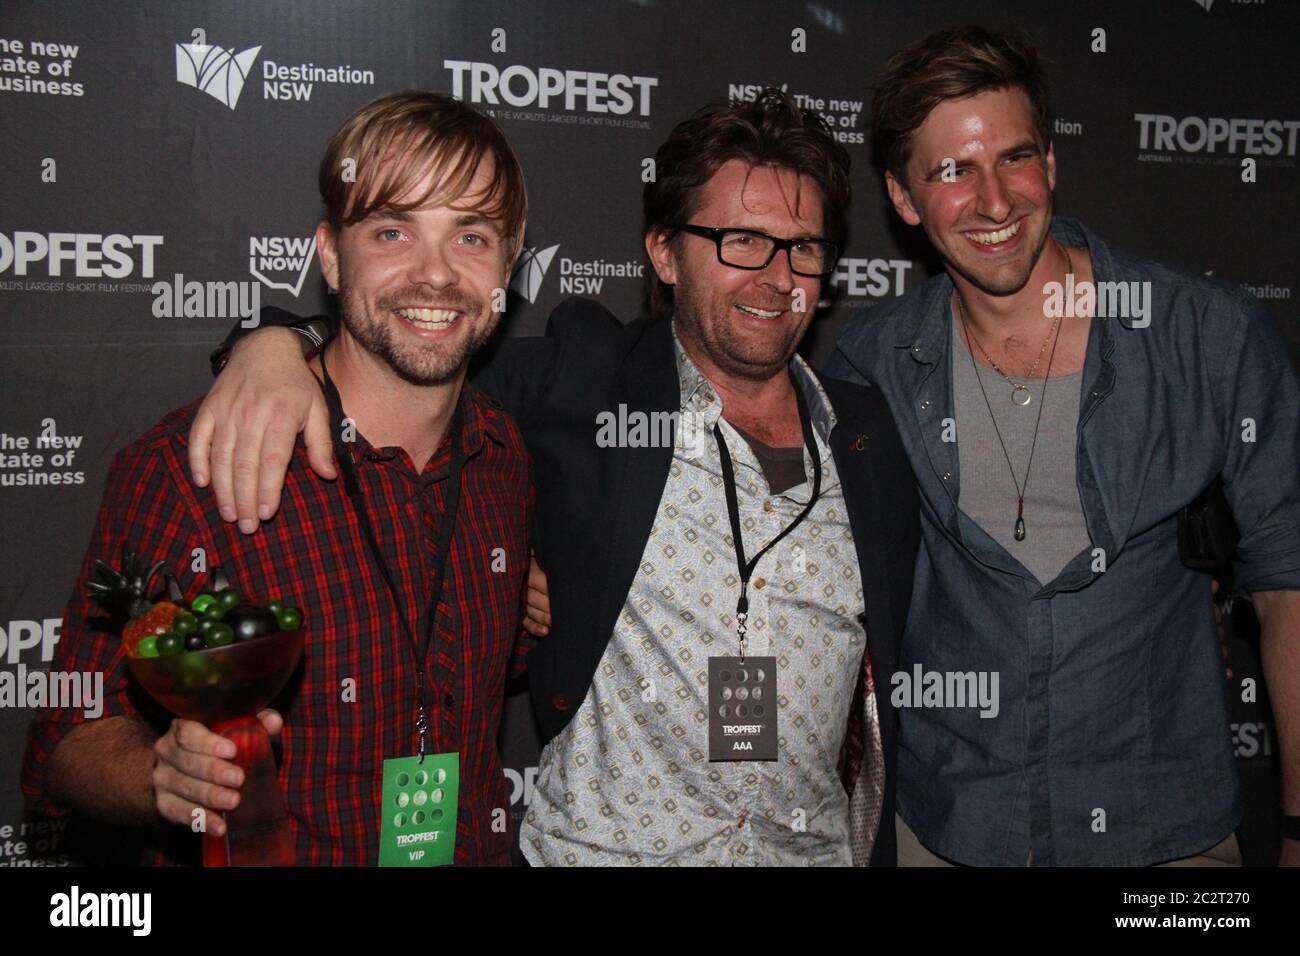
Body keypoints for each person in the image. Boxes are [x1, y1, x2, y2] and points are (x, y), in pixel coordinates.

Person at [185, 91, 920, 865]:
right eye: (740, 240)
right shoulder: (584, 381)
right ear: (665, 253)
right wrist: (273, 341)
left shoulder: (868, 439)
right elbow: (410, 346)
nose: (777, 276)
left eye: (802, 246)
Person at [825, 26, 1300, 866]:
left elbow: (1289, 584)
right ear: (902, 198)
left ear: (1052, 161)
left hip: (1167, 840)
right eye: (952, 171)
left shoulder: (1206, 340)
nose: (996, 201)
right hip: (951, 832)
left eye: (1014, 158)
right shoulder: (871, 363)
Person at [22, 90, 537, 866]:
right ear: (331, 255)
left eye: (471, 235)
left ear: (508, 265)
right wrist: (161, 773)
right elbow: (70, 743)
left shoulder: (505, 461)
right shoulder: (191, 466)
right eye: (392, 230)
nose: (435, 274)